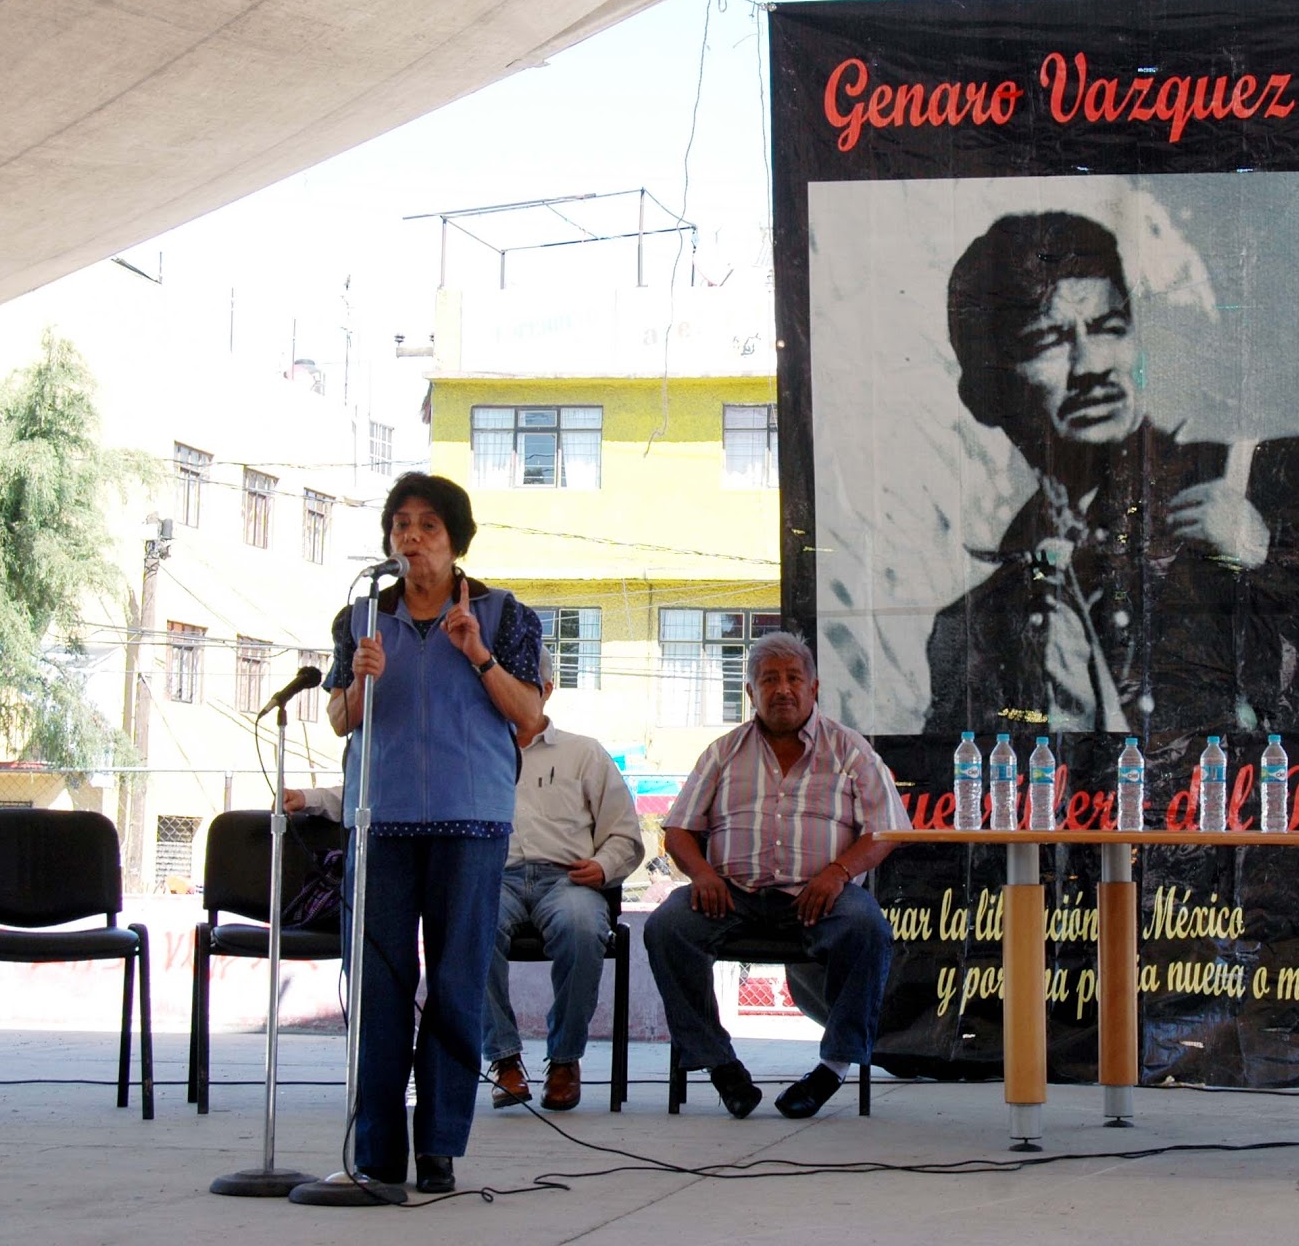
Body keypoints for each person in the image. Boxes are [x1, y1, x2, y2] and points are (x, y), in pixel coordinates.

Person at [924, 210, 1299, 741]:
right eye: (1048, 343)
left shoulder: (1270, 477)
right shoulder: (979, 622)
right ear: (984, 396)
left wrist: (1269, 560)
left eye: (1110, 329)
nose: (1092, 365)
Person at [325, 471, 542, 1194]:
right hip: (379, 819)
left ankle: (441, 1144)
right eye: (400, 525)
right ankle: (378, 1149)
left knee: (455, 983)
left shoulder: (504, 613)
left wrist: (476, 651)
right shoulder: (360, 615)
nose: (411, 538)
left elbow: (530, 717)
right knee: (380, 986)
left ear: (455, 541)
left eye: (427, 527)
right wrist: (359, 680)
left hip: (471, 821)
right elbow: (340, 719)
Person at [644, 630, 908, 1119]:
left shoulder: (850, 750)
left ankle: (831, 1068)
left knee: (867, 927)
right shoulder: (723, 752)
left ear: (814, 688)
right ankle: (722, 1067)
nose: (782, 689)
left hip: (820, 896)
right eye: (769, 679)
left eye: (793, 678)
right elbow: (680, 829)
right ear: (750, 692)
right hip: (732, 896)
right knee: (667, 927)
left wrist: (838, 872)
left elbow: (887, 830)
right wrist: (701, 873)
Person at [482, 645, 643, 1113]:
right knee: (470, 926)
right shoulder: (478, 750)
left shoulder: (583, 753)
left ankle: (564, 1060)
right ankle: (505, 1059)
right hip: (495, 878)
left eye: (522, 683)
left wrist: (604, 866)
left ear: (547, 689)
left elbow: (625, 834)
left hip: (569, 879)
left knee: (581, 927)